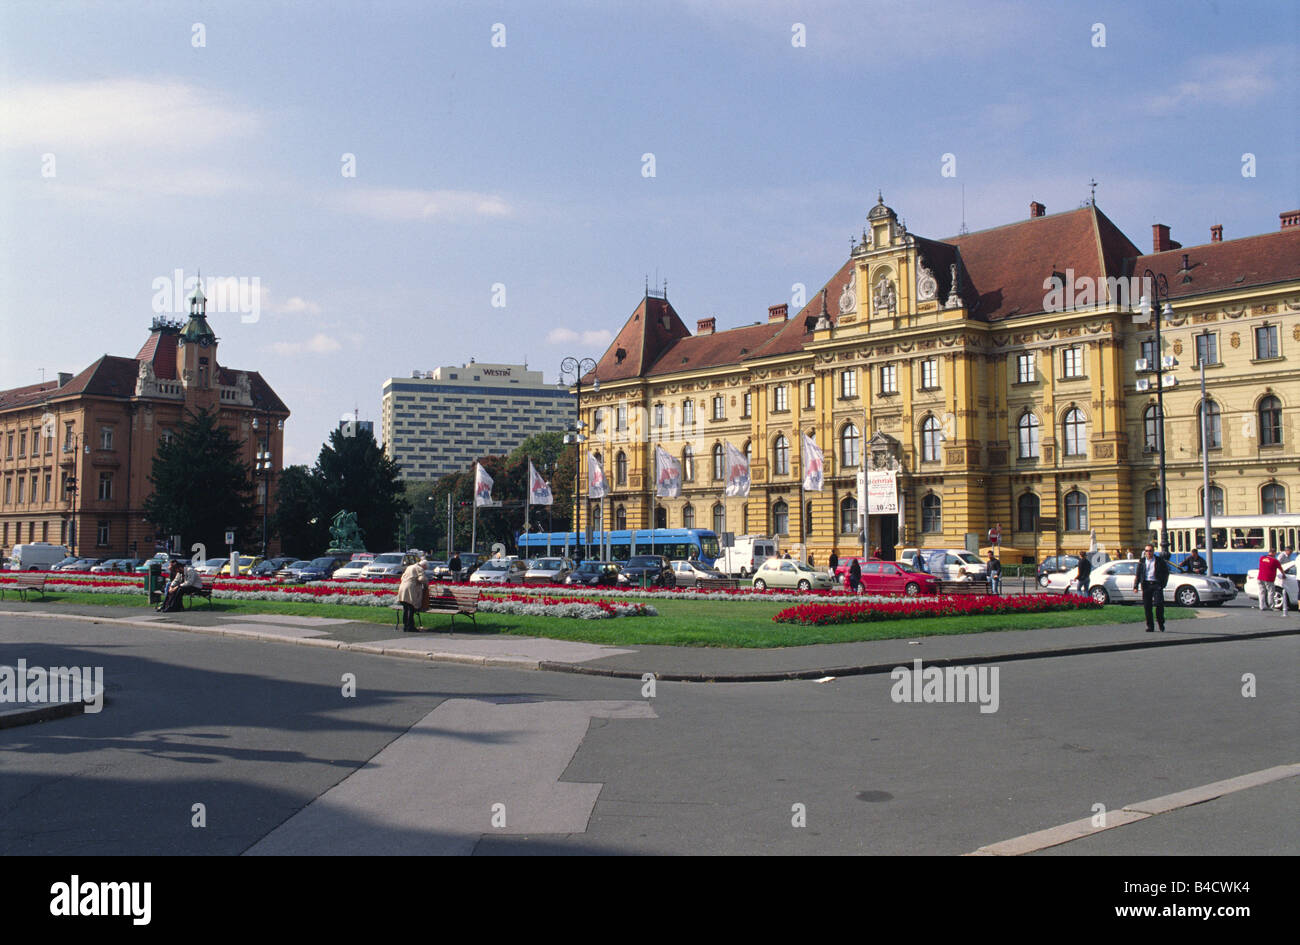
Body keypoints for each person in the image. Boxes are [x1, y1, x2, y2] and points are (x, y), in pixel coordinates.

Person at [1133, 544, 1169, 632]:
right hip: (1146, 585)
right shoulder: (1142, 561)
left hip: (1156, 585)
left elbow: (1166, 573)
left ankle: (1161, 623)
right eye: (1147, 551)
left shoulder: (1159, 561)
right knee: (1147, 607)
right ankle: (1150, 626)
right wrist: (1135, 586)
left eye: (1150, 551)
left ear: (1153, 551)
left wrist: (1163, 584)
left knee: (1159, 605)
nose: (1148, 553)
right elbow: (1138, 574)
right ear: (1144, 552)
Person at [398, 558, 428, 632]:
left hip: (402, 587)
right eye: (426, 567)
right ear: (424, 565)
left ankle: (405, 626)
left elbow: (402, 577)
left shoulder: (409, 567)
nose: (425, 569)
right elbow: (422, 579)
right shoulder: (419, 568)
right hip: (410, 589)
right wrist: (426, 584)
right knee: (411, 608)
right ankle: (411, 627)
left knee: (405, 608)